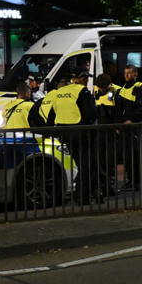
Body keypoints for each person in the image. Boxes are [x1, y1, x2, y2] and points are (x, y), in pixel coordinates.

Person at [47, 68, 99, 204]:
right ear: (82, 79)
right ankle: (83, 198)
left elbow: (51, 116)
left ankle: (82, 193)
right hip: (81, 133)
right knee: (86, 166)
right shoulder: (82, 91)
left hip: (63, 134)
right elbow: (91, 113)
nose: (87, 81)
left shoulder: (60, 92)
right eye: (87, 78)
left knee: (78, 164)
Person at [117, 64, 142, 191]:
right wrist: (118, 124)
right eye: (125, 73)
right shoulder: (123, 88)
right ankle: (131, 180)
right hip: (125, 127)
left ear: (135, 74)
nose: (126, 75)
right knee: (127, 155)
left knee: (135, 155)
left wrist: (132, 120)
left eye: (129, 73)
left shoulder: (140, 88)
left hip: (135, 126)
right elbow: (119, 109)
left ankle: (136, 182)